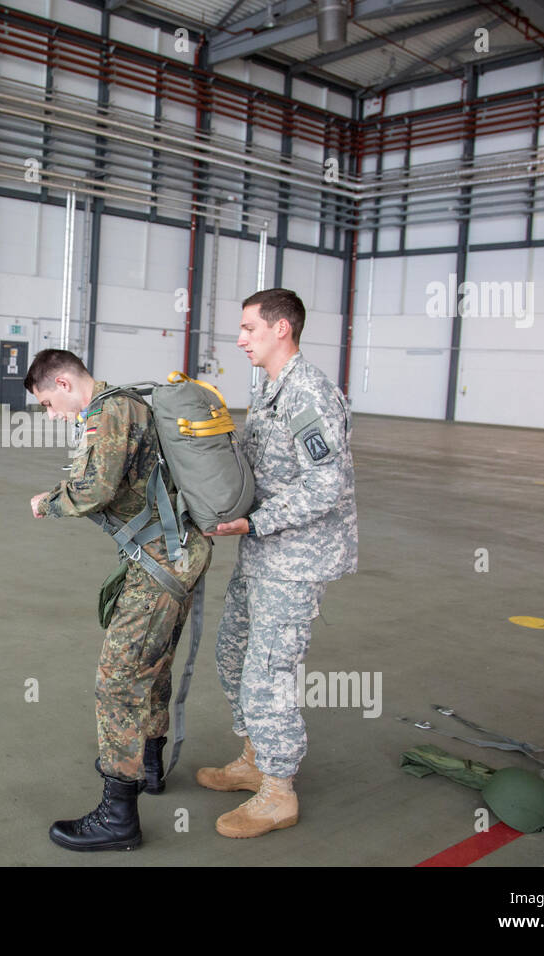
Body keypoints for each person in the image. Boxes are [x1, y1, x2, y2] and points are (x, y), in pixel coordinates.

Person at [26, 348, 212, 852]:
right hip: (174, 553)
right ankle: (148, 765)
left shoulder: (107, 412)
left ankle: (118, 816)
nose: (51, 413)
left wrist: (50, 502)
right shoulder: (126, 404)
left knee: (119, 680)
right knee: (151, 665)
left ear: (63, 384)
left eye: (47, 403)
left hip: (161, 561)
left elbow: (96, 489)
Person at [200, 288, 357, 839]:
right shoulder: (271, 388)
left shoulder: (307, 394)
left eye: (249, 328)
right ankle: (253, 757)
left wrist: (255, 522)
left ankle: (278, 791)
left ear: (282, 328)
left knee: (267, 672)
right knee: (234, 653)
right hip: (262, 551)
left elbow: (326, 485)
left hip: (293, 559)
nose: (240, 338)